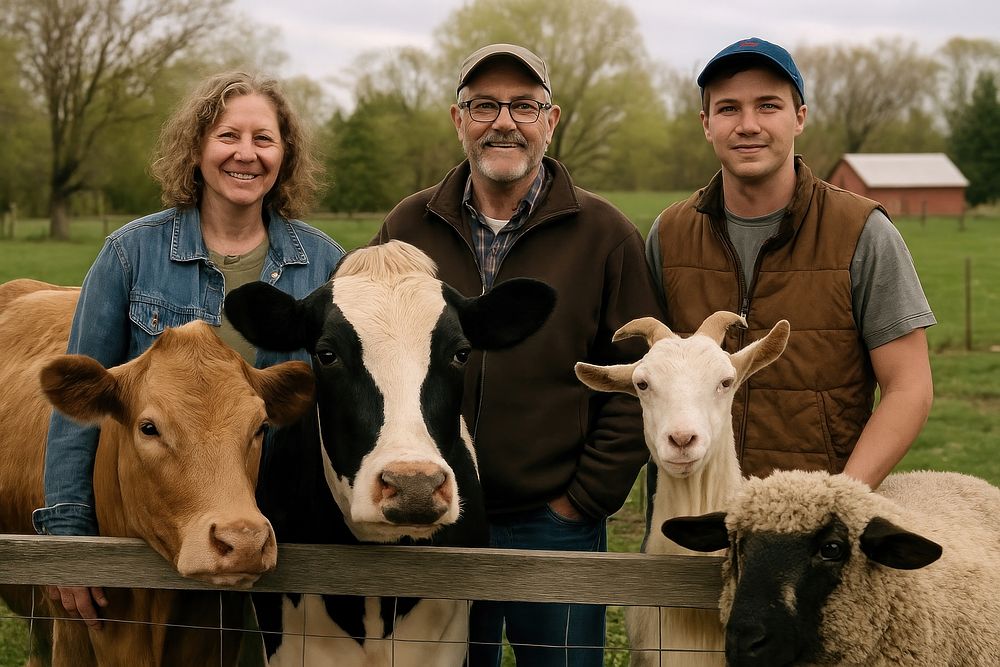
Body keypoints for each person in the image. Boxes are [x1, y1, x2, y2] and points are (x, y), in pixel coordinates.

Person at [374, 43, 663, 666]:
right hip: (433, 519)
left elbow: (642, 381)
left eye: (523, 106)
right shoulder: (407, 227)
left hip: (553, 523)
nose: (503, 121)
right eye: (484, 105)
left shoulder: (604, 235)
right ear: (459, 120)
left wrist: (581, 501)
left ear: (549, 121)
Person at [32, 71, 345, 627]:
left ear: (285, 154)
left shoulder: (324, 265)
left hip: (280, 536)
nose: (245, 154)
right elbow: (78, 412)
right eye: (227, 136)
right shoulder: (131, 254)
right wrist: (69, 539)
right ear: (195, 147)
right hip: (154, 531)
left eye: (264, 139)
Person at [646, 37, 935, 490]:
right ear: (706, 124)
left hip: (810, 533)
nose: (747, 125)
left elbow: (909, 388)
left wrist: (840, 500)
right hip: (691, 518)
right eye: (728, 109)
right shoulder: (669, 234)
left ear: (799, 118)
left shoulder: (862, 232)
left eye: (768, 106)